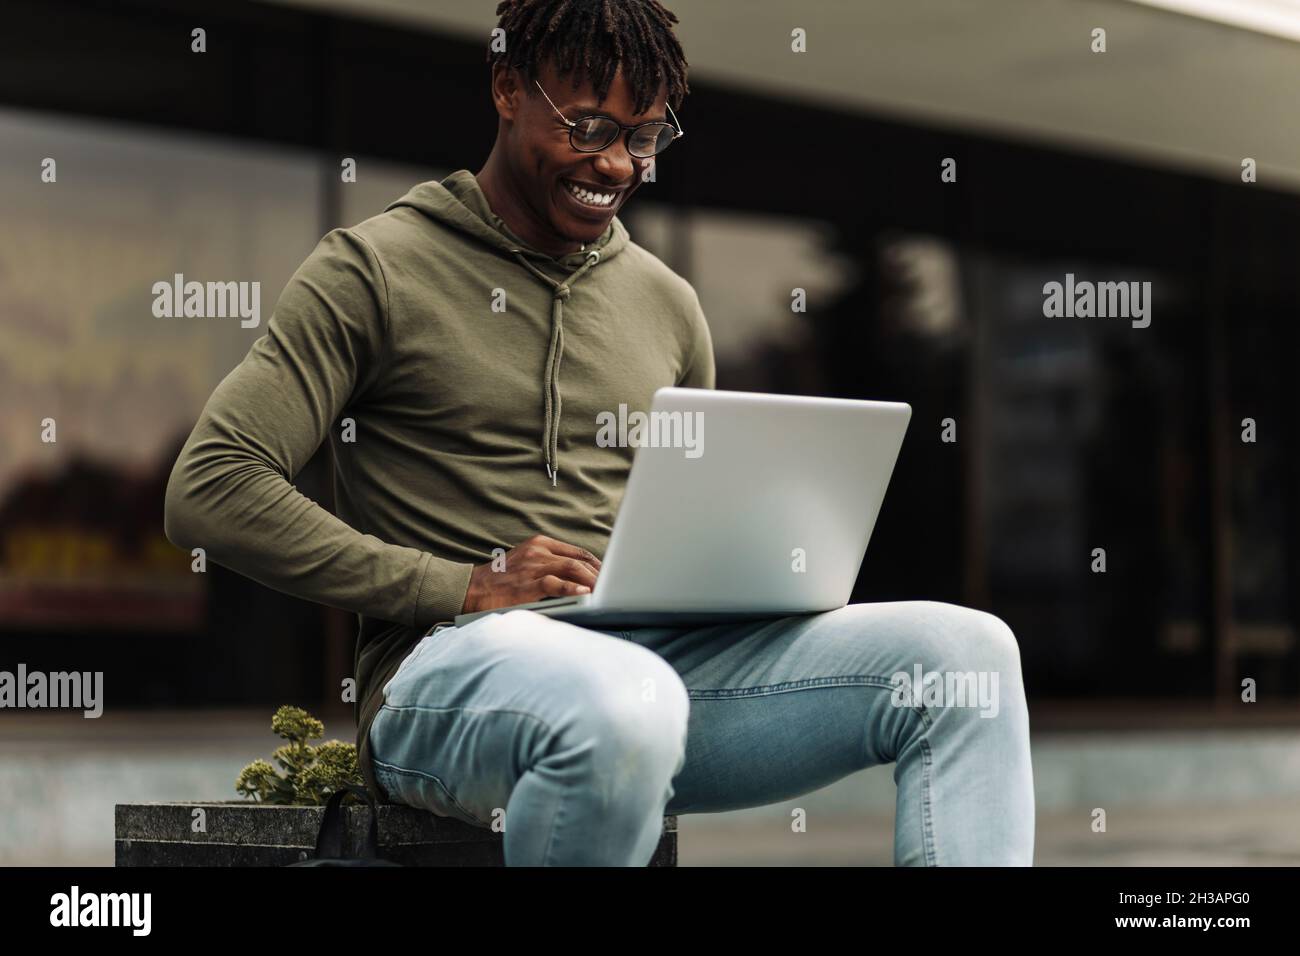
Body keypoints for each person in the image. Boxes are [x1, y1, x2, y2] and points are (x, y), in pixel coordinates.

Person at [164, 0, 1034, 865]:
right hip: (446, 677)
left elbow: (699, 528)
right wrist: (462, 584)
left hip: (663, 670)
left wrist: (766, 579)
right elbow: (212, 489)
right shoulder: (373, 270)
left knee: (966, 658)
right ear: (508, 87)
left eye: (646, 138)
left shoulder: (668, 304)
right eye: (589, 127)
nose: (616, 164)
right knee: (625, 701)